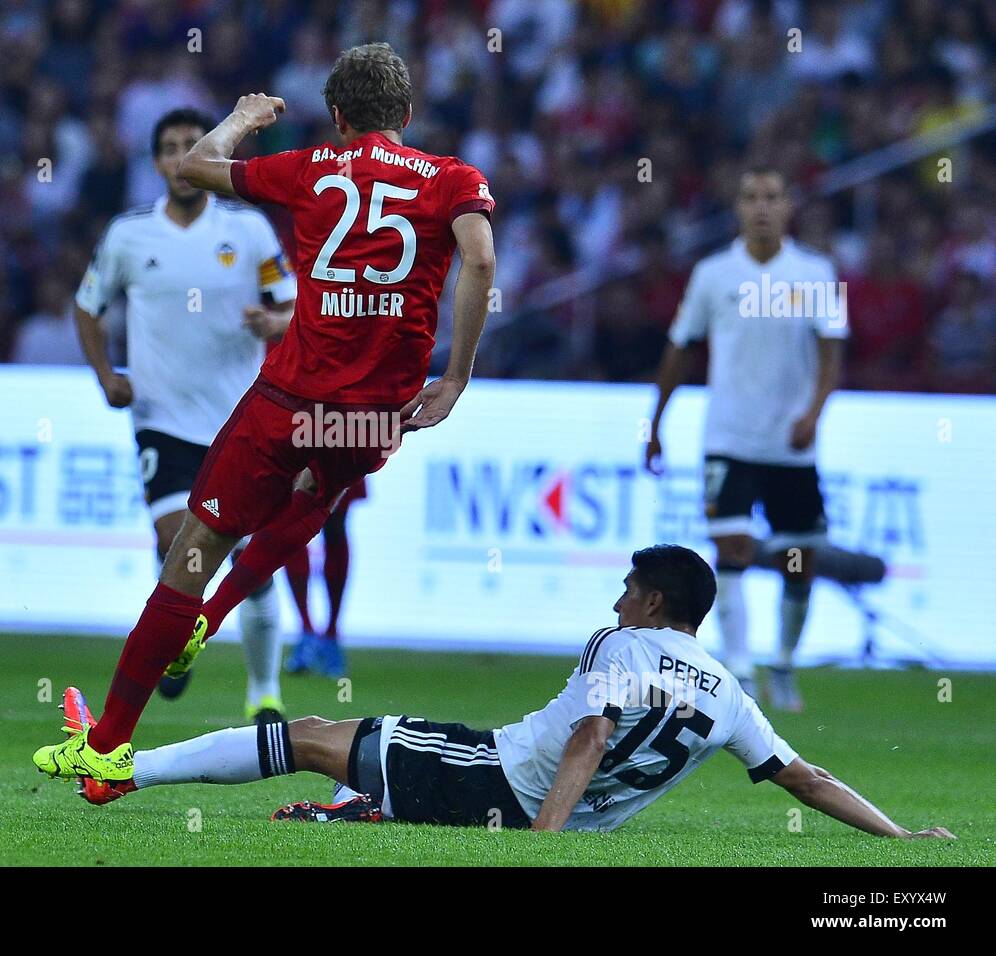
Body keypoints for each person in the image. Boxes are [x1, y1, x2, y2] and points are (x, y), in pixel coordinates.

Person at [33, 42, 497, 789]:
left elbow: (195, 167)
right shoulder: (454, 180)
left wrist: (243, 119)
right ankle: (210, 621)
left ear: (338, 115)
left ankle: (109, 742)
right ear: (408, 114)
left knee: (192, 548)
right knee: (316, 500)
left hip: (288, 402)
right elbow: (478, 258)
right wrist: (457, 376)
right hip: (376, 413)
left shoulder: (311, 166)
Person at [56, 545, 953, 840]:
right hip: (516, 786)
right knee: (357, 763)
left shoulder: (622, 641)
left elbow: (590, 737)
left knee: (311, 731)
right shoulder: (731, 693)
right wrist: (902, 834)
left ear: (654, 603)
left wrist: (543, 841)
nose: (614, 598)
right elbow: (808, 778)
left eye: (628, 586)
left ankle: (120, 769)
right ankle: (359, 812)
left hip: (501, 778)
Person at [67, 107, 297, 799]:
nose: (177, 158)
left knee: (247, 567)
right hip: (162, 423)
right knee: (184, 546)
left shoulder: (249, 228)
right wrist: (108, 375)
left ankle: (263, 690)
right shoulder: (129, 235)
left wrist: (274, 321)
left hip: (242, 421)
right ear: (156, 161)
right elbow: (86, 305)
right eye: (166, 148)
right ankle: (176, 634)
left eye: (186, 146)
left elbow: (294, 306)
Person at [644, 165, 848, 710]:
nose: (761, 206)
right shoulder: (713, 274)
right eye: (751, 196)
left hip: (790, 443)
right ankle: (737, 670)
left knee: (798, 558)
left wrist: (814, 414)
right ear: (737, 207)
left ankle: (782, 661)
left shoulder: (816, 272)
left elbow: (832, 354)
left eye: (772, 196)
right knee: (730, 548)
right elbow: (680, 347)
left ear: (788, 206)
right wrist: (656, 422)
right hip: (728, 437)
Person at [283, 478, 366, 677]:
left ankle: (331, 634)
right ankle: (307, 630)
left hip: (341, 446)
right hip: (296, 447)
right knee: (293, 518)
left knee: (336, 524)